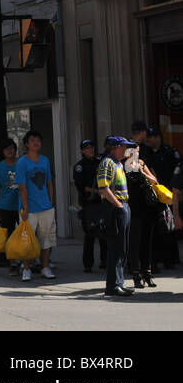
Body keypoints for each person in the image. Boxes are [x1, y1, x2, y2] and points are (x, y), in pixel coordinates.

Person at [126, 122, 164, 288]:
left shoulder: (141, 163)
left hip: (147, 206)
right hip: (133, 207)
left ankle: (147, 272)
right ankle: (136, 274)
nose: (135, 151)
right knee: (135, 241)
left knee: (146, 240)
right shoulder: (125, 166)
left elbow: (154, 179)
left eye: (136, 149)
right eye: (132, 150)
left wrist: (142, 170)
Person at [16, 130, 57, 281]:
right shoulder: (22, 162)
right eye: (32, 140)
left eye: (38, 140)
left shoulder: (45, 160)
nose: (36, 143)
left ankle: (45, 267)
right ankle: (26, 268)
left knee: (46, 238)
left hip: (46, 207)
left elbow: (49, 183)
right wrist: (25, 208)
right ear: (26, 144)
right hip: (30, 209)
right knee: (28, 240)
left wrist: (51, 202)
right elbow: (22, 188)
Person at [98, 136, 134, 297]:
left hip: (123, 206)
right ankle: (112, 286)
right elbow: (103, 188)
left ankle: (119, 283)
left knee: (123, 248)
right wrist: (118, 206)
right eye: (125, 146)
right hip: (115, 208)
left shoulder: (119, 164)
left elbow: (136, 167)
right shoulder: (107, 163)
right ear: (115, 147)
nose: (127, 149)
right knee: (115, 248)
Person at [144, 127, 181, 269]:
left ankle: (170, 259)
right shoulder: (146, 153)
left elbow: (177, 174)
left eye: (151, 137)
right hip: (153, 196)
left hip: (169, 195)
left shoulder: (170, 152)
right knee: (155, 228)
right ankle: (154, 260)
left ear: (158, 138)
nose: (148, 139)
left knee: (169, 227)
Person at [72, 139, 107, 273]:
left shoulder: (99, 162)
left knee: (104, 232)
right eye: (86, 148)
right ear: (82, 150)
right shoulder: (79, 166)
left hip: (102, 202)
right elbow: (81, 186)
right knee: (89, 234)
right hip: (89, 204)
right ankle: (88, 264)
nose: (90, 150)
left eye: (92, 147)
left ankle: (105, 260)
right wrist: (96, 191)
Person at [0, 140, 22, 274]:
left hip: (22, 205)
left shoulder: (22, 164)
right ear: (3, 152)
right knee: (9, 235)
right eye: (7, 149)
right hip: (5, 206)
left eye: (12, 148)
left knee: (26, 233)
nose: (10, 151)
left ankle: (28, 260)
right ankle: (13, 263)